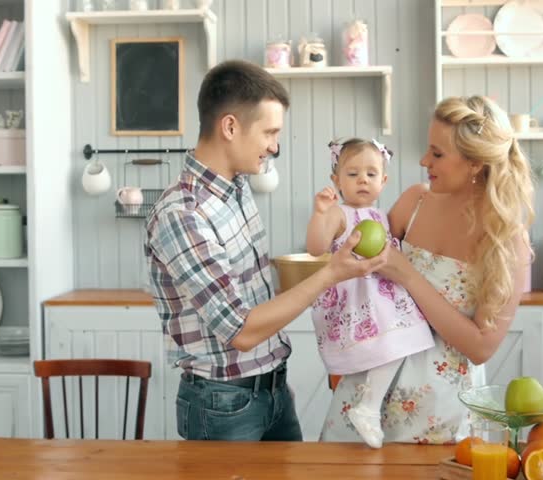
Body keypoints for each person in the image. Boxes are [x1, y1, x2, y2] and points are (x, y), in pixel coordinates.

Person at [144, 60, 386, 442]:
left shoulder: (237, 187)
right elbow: (241, 331)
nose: (275, 146)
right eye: (270, 132)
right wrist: (331, 274)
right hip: (223, 404)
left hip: (271, 390)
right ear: (230, 127)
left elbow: (253, 292)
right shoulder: (182, 214)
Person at [320, 95, 535, 444]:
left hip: (439, 415)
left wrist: (407, 274)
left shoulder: (505, 241)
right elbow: (363, 274)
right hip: (365, 396)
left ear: (475, 163)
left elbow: (481, 347)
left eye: (437, 154)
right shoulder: (415, 202)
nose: (424, 161)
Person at [305, 138, 435, 448]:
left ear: (383, 181)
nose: (363, 180)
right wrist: (320, 213)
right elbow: (316, 247)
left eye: (371, 174)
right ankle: (368, 406)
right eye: (352, 174)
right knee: (384, 346)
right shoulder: (339, 214)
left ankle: (369, 406)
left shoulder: (380, 217)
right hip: (357, 295)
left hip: (382, 292)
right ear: (337, 180)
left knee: (404, 340)